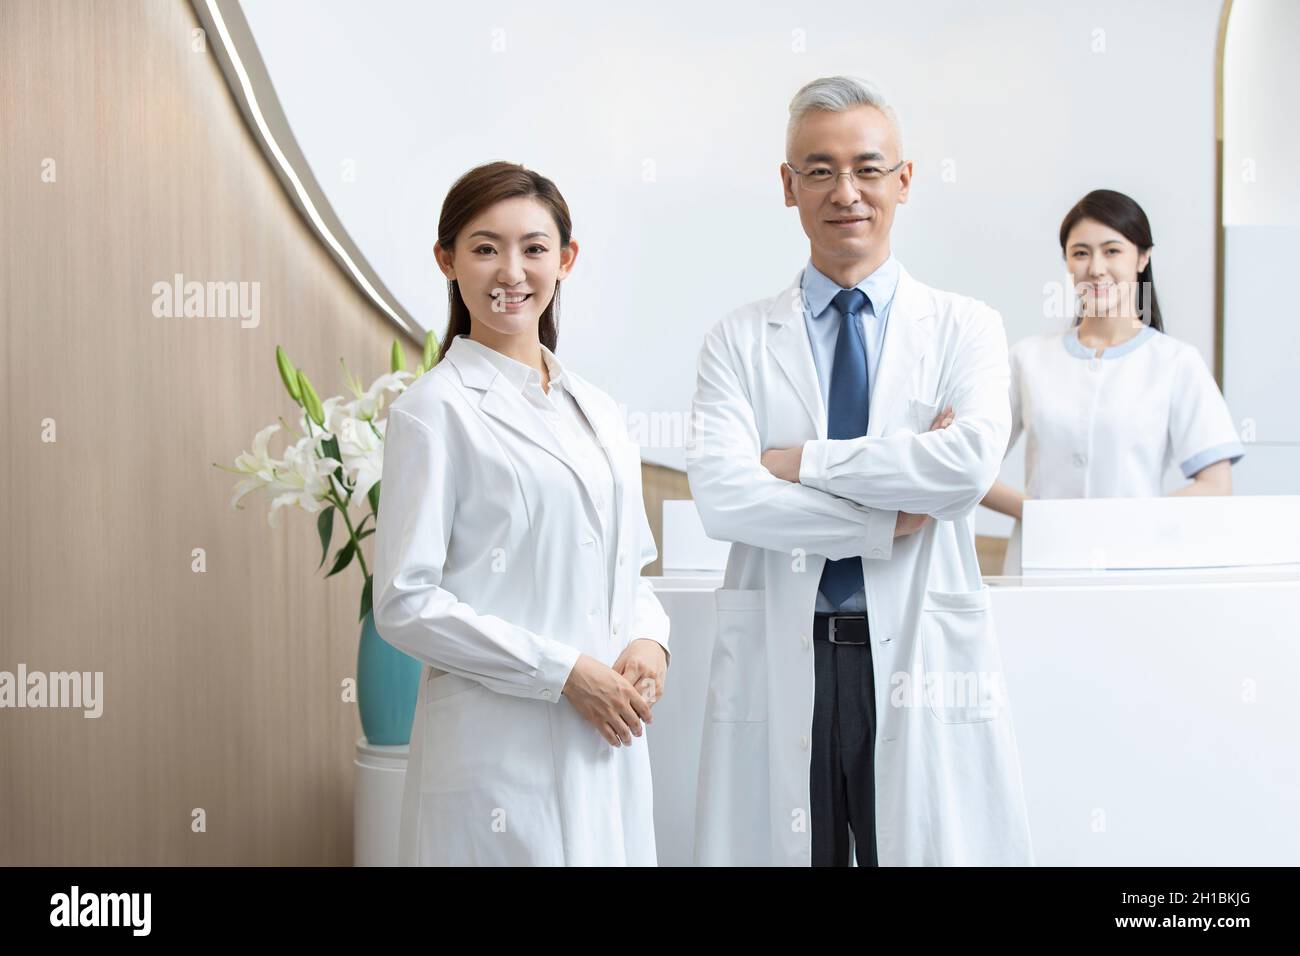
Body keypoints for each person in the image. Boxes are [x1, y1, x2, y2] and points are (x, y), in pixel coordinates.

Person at [687, 75, 1033, 866]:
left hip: (916, 652)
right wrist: (885, 516)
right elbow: (725, 497)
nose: (846, 192)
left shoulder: (965, 328)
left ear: (904, 181)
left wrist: (798, 462)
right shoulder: (738, 339)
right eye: (819, 169)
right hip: (787, 644)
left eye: (868, 168)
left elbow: (966, 465)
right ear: (788, 186)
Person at [372, 161, 671, 865]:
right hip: (498, 758)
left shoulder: (598, 410)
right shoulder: (432, 413)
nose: (512, 271)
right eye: (485, 247)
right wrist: (565, 671)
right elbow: (405, 603)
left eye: (534, 248)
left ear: (565, 260)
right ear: (447, 260)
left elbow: (633, 573)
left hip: (607, 745)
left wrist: (651, 644)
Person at [982, 189, 1245, 574]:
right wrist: (1040, 515)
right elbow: (971, 468)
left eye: (1112, 250)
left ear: (1142, 257)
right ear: (1067, 263)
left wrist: (1124, 521)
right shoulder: (1029, 358)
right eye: (1081, 253)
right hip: (1040, 560)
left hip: (1135, 561)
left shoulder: (1176, 363)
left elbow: (1216, 486)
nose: (1097, 268)